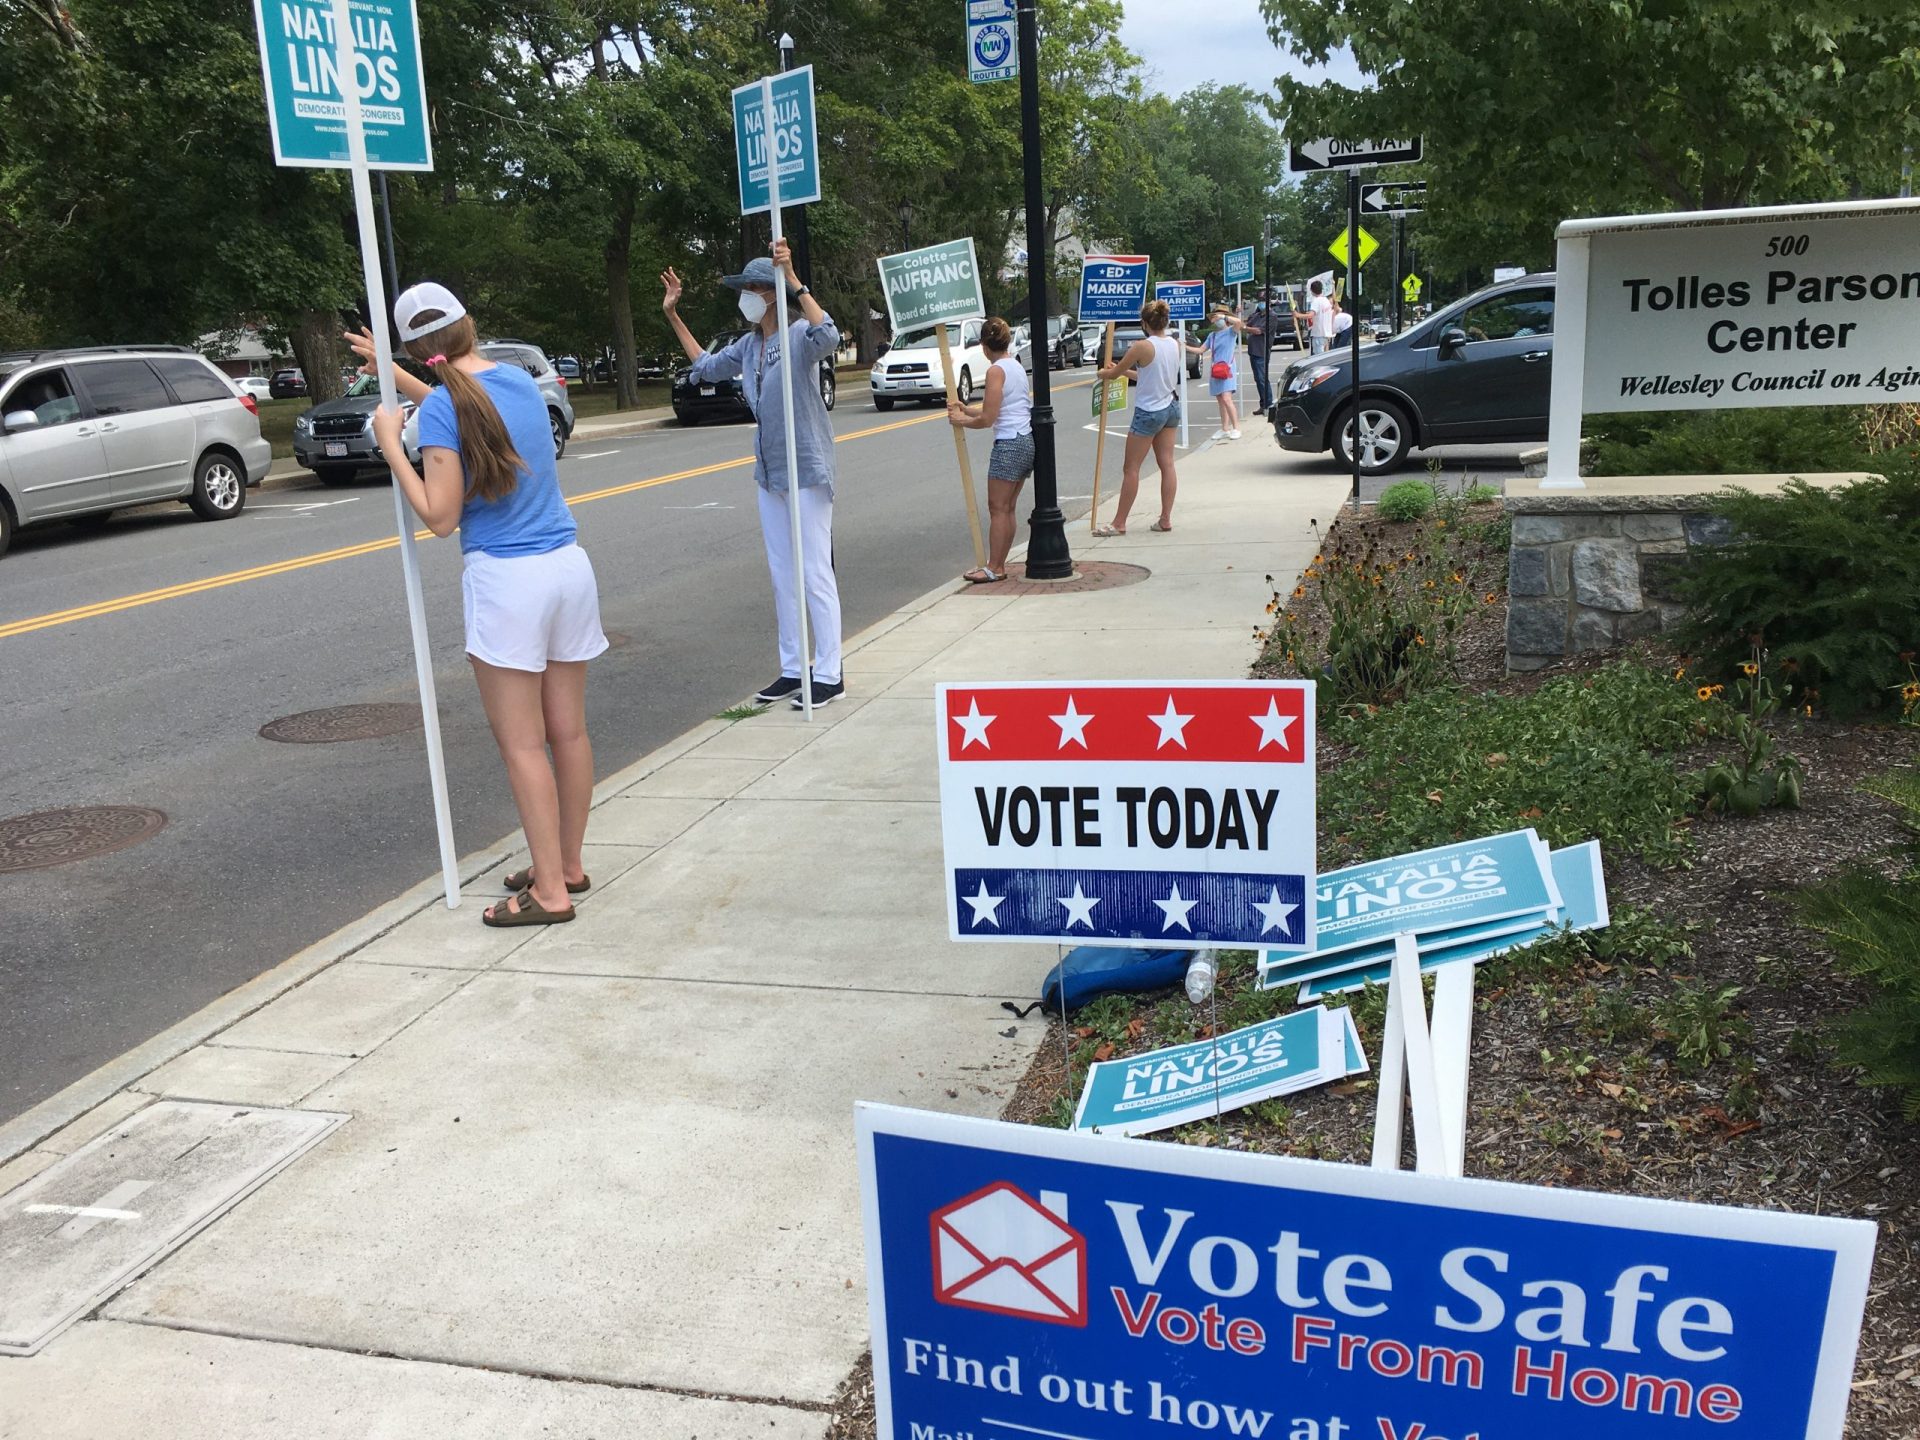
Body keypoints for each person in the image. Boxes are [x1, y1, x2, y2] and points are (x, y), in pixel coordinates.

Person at [355, 283, 608, 928]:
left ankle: (548, 890)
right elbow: (463, 406)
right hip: (567, 569)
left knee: (522, 745)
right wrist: (402, 380)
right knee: (568, 732)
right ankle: (568, 865)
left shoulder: (441, 411)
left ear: (418, 349)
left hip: (509, 583)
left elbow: (440, 517)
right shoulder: (520, 382)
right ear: (470, 325)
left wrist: (391, 444)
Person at [661, 241, 844, 707]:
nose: (745, 295)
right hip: (769, 473)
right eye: (743, 287)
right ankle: (792, 666)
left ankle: (830, 671)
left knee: (813, 570)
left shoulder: (800, 333)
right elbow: (704, 367)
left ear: (772, 293)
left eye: (754, 287)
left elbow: (831, 337)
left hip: (806, 468)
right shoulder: (748, 346)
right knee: (783, 572)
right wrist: (673, 315)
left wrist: (796, 281)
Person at [946, 316, 1033, 582]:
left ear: (985, 346)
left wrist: (963, 420)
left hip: (1008, 443)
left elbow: (988, 419)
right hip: (1024, 439)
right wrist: (966, 408)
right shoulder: (1015, 366)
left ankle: (995, 567)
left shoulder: (996, 371)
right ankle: (999, 564)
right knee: (1007, 508)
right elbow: (998, 408)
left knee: (997, 507)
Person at [1090, 297, 1183, 536]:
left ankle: (1119, 522)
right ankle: (1166, 518)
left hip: (1149, 411)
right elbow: (1147, 376)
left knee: (1131, 468)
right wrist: (1119, 371)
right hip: (1171, 406)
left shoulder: (1142, 346)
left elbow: (1113, 374)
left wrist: (1104, 371)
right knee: (1167, 464)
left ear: (1144, 323)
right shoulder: (1174, 344)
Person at [1199, 303, 1245, 441]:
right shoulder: (1212, 336)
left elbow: (1239, 323)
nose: (1217, 319)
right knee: (1220, 400)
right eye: (1215, 317)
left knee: (1226, 398)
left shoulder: (1231, 331)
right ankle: (1225, 429)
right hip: (1216, 370)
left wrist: (1224, 316)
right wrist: (1184, 346)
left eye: (1218, 317)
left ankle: (1236, 428)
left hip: (1228, 370)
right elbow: (1201, 350)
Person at [1244, 288, 1274, 414]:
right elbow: (1246, 324)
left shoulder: (1272, 317)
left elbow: (1258, 331)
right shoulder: (1256, 315)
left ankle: (1269, 404)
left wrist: (1246, 328)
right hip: (1253, 351)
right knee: (1258, 379)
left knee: (1263, 378)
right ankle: (1263, 404)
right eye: (1260, 300)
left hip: (1262, 351)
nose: (1261, 303)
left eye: (1264, 301)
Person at [1295, 279, 1335, 356]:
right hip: (1326, 335)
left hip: (1318, 335)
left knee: (1319, 360)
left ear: (1312, 290)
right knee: (1325, 358)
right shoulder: (1326, 300)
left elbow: (1311, 315)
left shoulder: (1316, 301)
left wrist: (1298, 315)